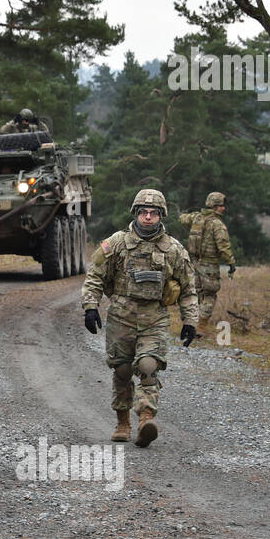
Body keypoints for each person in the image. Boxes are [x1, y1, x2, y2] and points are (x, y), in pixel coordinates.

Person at [82, 189, 198, 447]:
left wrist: (190, 321)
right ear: (136, 214)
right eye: (143, 212)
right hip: (121, 317)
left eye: (153, 213)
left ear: (161, 216)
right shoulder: (117, 243)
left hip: (154, 318)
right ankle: (123, 422)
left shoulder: (174, 250)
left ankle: (146, 419)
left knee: (148, 367)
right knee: (122, 370)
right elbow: (95, 276)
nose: (147, 217)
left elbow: (189, 289)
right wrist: (91, 307)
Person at [178, 191, 235, 337]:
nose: (224, 208)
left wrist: (181, 213)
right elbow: (223, 246)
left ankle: (189, 323)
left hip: (194, 263)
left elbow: (183, 219)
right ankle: (200, 327)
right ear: (216, 206)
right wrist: (231, 263)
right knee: (209, 295)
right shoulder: (217, 224)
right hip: (209, 265)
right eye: (221, 205)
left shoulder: (197, 217)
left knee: (196, 294)